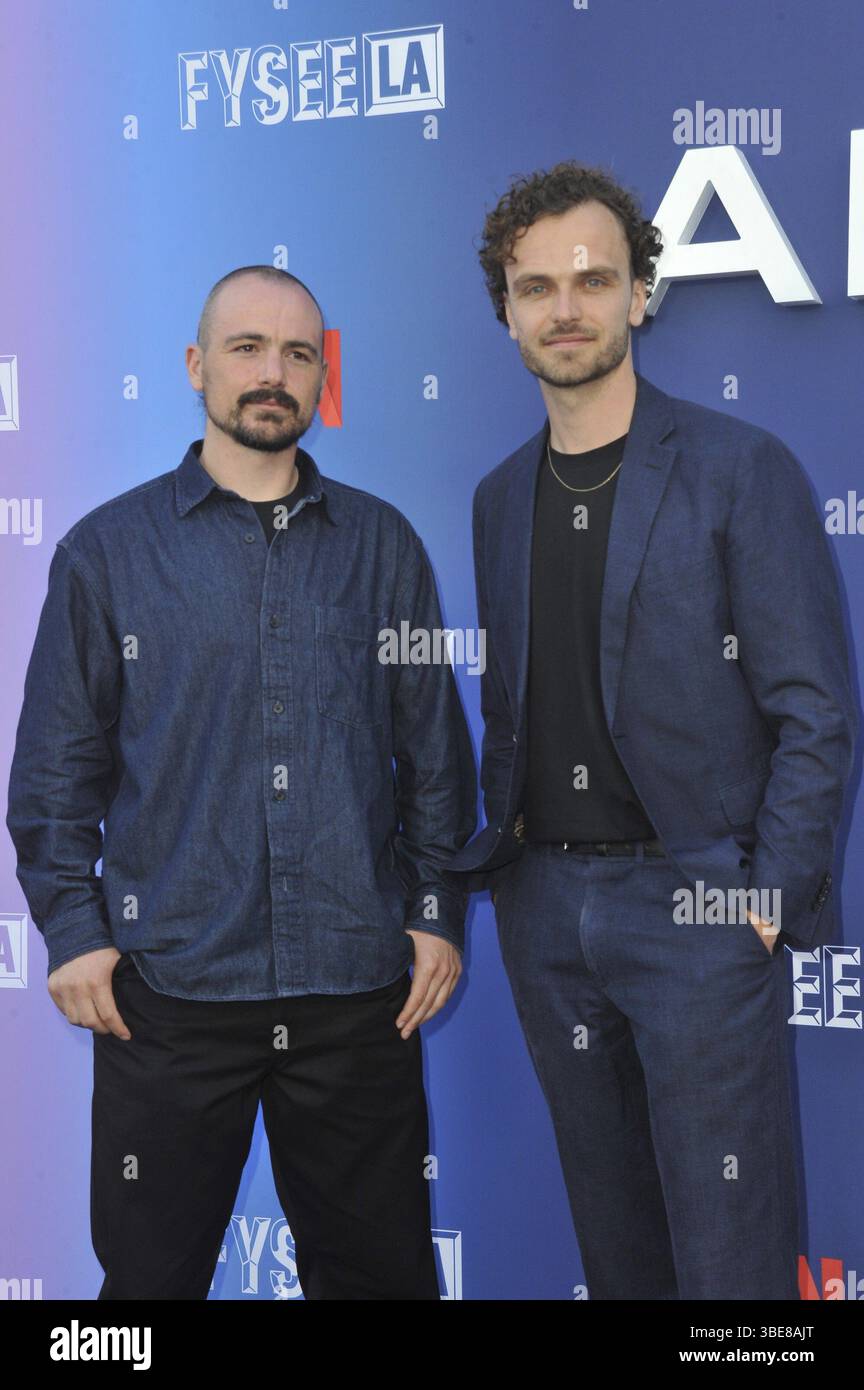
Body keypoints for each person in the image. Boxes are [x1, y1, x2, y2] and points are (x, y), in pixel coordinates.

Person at [6, 264, 476, 1300]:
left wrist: (437, 906)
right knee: (145, 1287)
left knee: (382, 1283)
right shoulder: (107, 555)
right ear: (196, 366)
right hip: (168, 996)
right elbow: (52, 772)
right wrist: (74, 931)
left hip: (356, 994)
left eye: (299, 353)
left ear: (321, 377)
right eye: (248, 349)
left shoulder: (384, 547)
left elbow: (435, 753)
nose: (274, 373)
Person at [446, 161, 858, 1300]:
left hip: (699, 917)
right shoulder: (498, 497)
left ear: (639, 294)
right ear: (508, 312)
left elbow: (815, 708)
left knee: (732, 1265)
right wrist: (516, 882)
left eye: (591, 279)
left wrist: (763, 903)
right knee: (618, 1253)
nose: (564, 307)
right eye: (535, 287)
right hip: (547, 919)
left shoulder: (739, 470)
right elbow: (512, 705)